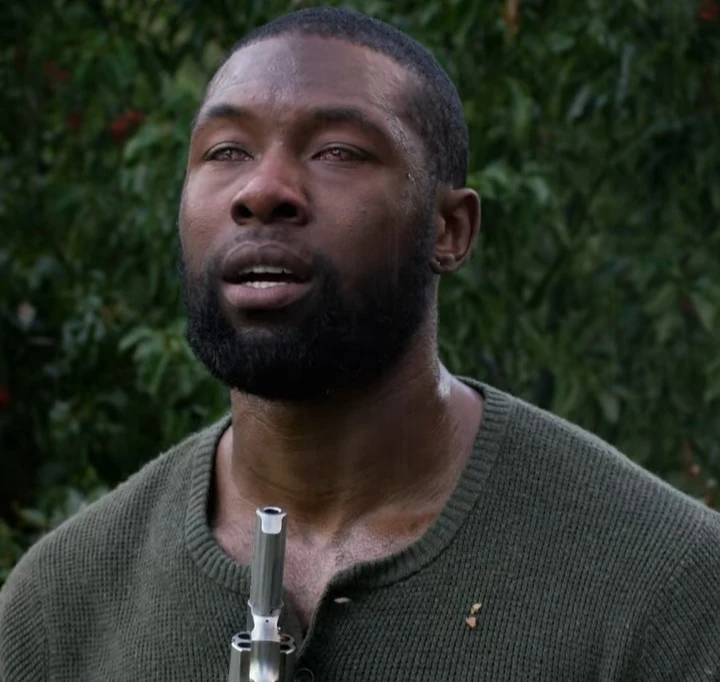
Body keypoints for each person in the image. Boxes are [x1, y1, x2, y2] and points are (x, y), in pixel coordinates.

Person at [1, 7, 719, 681]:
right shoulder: (62, 606)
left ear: (450, 230)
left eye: (338, 152)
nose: (263, 190)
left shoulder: (664, 585)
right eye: (226, 151)